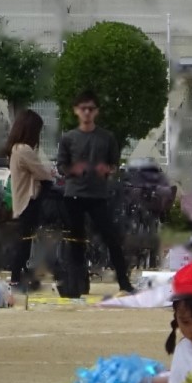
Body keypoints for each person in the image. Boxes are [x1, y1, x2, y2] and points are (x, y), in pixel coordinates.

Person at [56, 90, 134, 295]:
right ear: (76, 111)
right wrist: (73, 170)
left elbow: (115, 164)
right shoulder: (68, 138)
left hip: (98, 196)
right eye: (83, 109)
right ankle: (76, 285)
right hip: (73, 195)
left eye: (91, 109)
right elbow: (61, 166)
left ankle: (124, 283)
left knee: (112, 238)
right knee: (75, 241)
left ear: (97, 111)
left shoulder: (107, 137)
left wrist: (107, 170)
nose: (87, 112)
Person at [5, 109, 56, 290]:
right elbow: (44, 174)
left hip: (21, 202)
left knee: (25, 241)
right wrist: (49, 174)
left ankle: (19, 277)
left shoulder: (15, 149)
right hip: (29, 202)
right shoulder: (24, 150)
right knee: (25, 241)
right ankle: (16, 279)